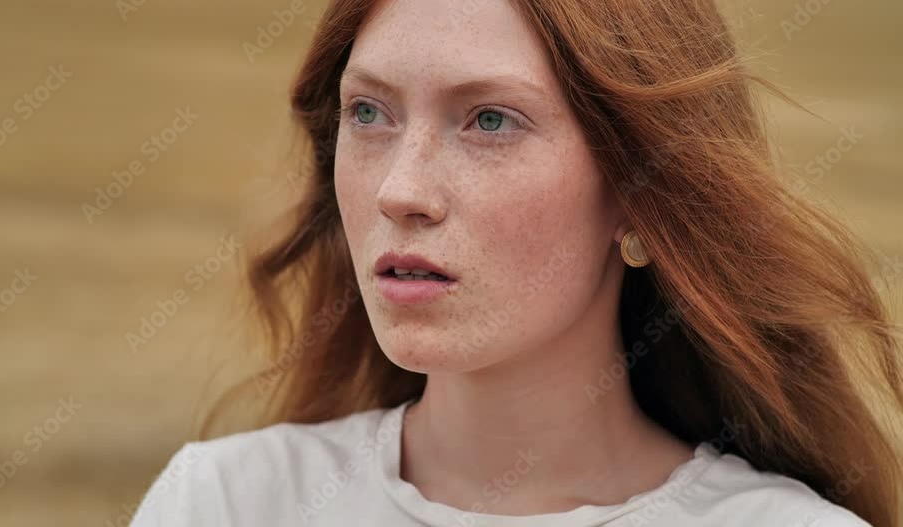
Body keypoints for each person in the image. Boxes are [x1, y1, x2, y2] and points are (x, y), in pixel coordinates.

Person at [130, 0, 903, 525]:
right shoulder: (227, 504)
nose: (401, 190)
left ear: (637, 194)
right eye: (369, 113)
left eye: (489, 120)